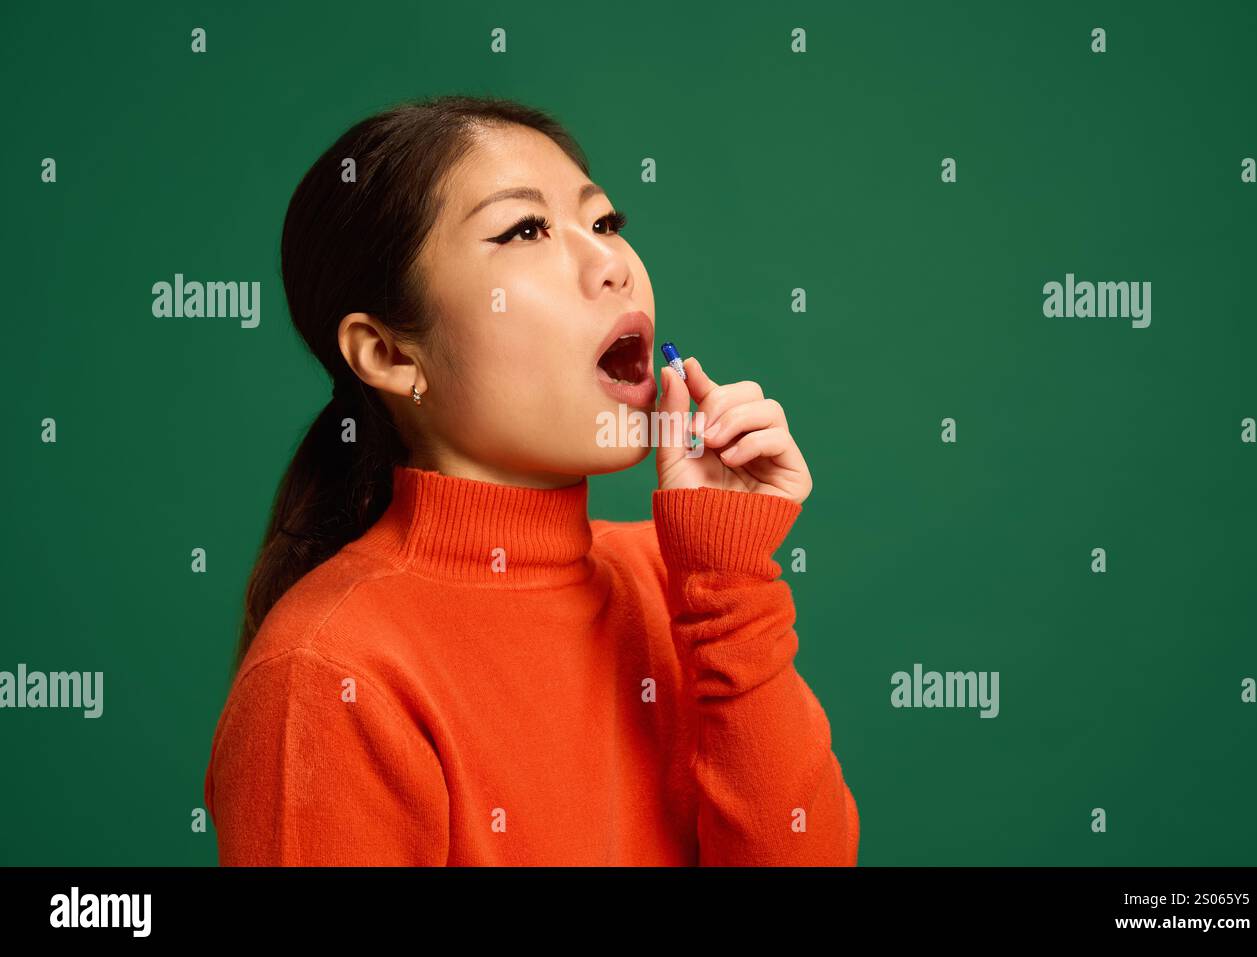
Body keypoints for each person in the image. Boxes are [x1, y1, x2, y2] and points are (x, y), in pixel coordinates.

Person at [203, 94, 859, 866]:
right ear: (389, 355)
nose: (611, 263)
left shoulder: (683, 580)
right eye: (524, 230)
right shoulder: (328, 675)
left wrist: (731, 578)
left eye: (605, 223)